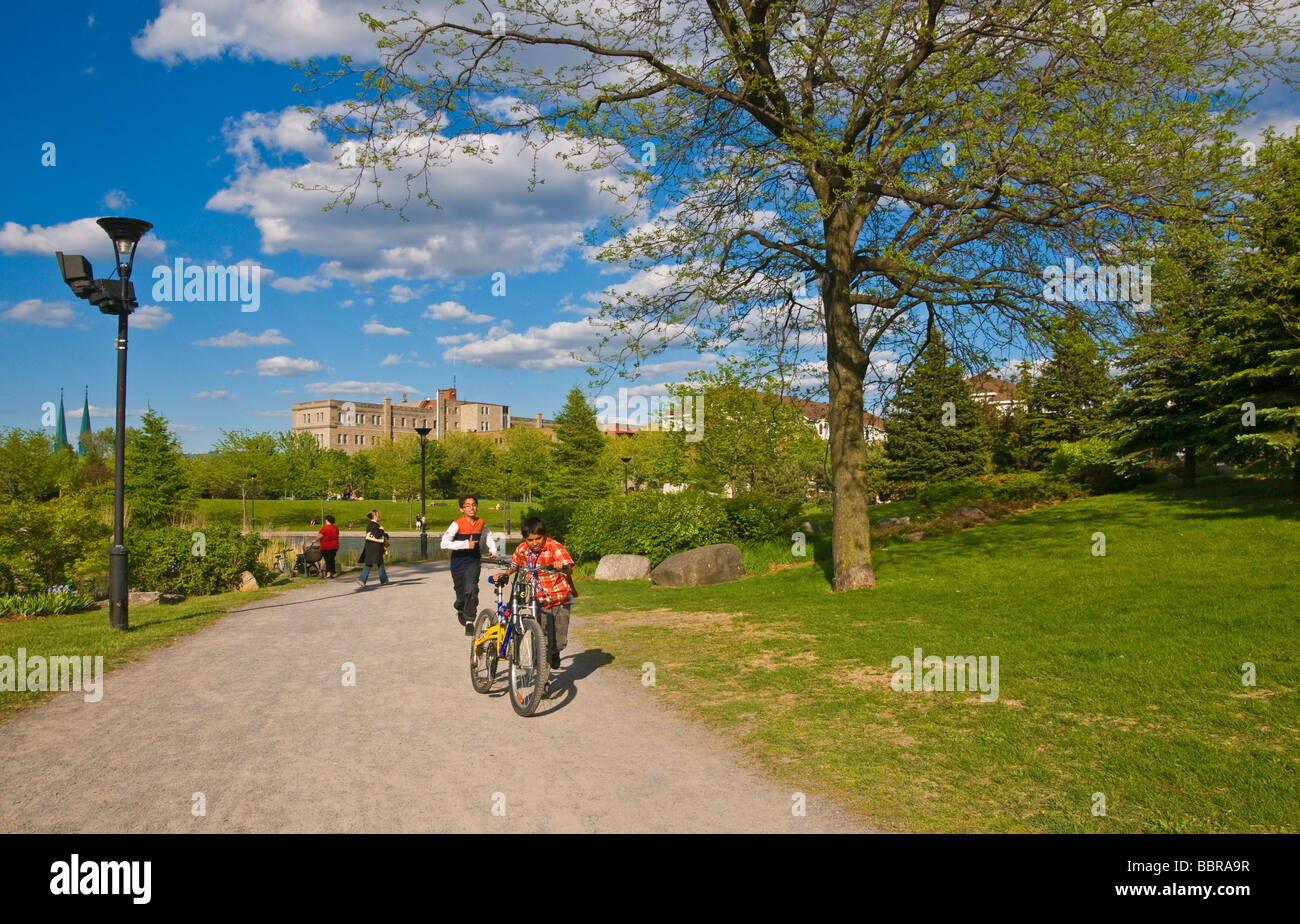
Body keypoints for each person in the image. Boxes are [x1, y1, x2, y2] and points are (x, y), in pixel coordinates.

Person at [493, 515, 575, 676]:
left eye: (538, 538)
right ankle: (542, 680)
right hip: (537, 597)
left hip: (559, 597)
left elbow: (569, 567)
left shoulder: (553, 546)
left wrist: (561, 567)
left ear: (544, 535)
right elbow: (515, 565)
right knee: (541, 638)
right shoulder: (522, 549)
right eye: (530, 540)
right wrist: (506, 573)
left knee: (559, 642)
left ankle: (555, 652)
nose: (535, 543)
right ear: (525, 539)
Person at [441, 495, 484, 635]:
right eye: (468, 505)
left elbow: (488, 535)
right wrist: (466, 544)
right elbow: (444, 543)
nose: (472, 508)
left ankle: (470, 621)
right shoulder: (456, 524)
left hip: (473, 561)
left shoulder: (481, 522)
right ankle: (459, 606)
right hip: (458, 563)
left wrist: (493, 550)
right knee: (461, 594)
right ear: (462, 509)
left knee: (471, 589)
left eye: (474, 504)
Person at [357, 509, 390, 588]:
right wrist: (381, 530)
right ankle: (363, 579)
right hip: (375, 548)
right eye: (378, 515)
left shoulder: (370, 524)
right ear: (375, 516)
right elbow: (377, 535)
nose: (379, 516)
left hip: (370, 547)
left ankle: (383, 580)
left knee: (375, 563)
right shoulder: (374, 525)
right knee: (376, 563)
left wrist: (384, 533)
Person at [318, 514, 339, 579]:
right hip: (334, 546)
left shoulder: (324, 528)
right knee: (332, 559)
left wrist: (315, 540)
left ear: (327, 520)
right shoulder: (336, 528)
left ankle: (328, 574)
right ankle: (332, 573)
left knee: (327, 560)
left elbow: (320, 536)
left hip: (325, 547)